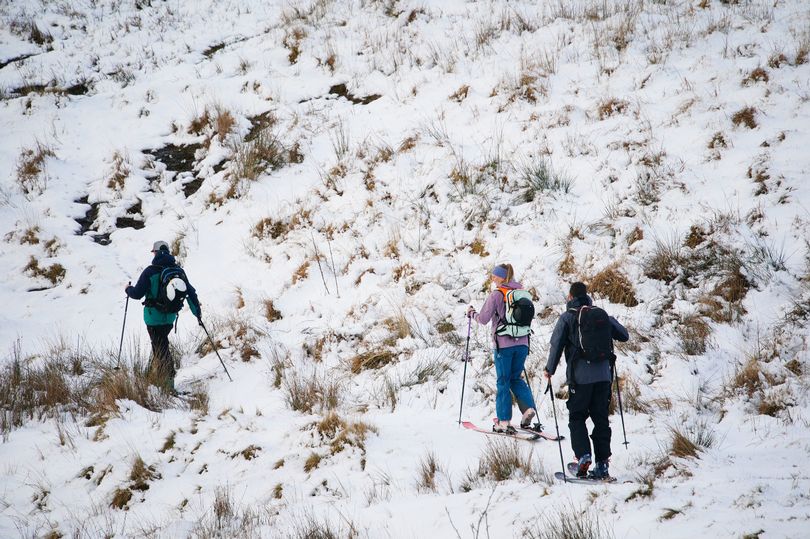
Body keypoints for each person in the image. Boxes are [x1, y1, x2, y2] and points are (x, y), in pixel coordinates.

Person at [544, 281, 628, 480]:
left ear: (570, 297)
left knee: (577, 416)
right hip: (603, 377)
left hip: (580, 378)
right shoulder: (601, 314)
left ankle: (583, 456)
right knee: (600, 419)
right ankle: (602, 465)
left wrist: (550, 369)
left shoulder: (567, 318)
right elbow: (623, 335)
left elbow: (556, 345)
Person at [467, 264, 537, 434]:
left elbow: (483, 319)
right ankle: (528, 409)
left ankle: (503, 421)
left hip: (504, 345)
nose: (493, 279)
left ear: (502, 277)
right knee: (516, 378)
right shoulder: (522, 293)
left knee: (503, 381)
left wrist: (472, 314)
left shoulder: (497, 295)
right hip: (522, 344)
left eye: (495, 276)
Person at [125, 240, 201, 393]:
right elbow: (190, 293)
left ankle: (168, 386)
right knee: (159, 345)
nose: (153, 254)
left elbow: (137, 294)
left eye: (153, 252)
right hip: (170, 317)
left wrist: (128, 289)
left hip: (153, 318)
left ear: (157, 252)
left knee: (162, 349)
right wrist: (198, 315)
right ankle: (151, 377)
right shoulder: (178, 270)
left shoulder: (150, 271)